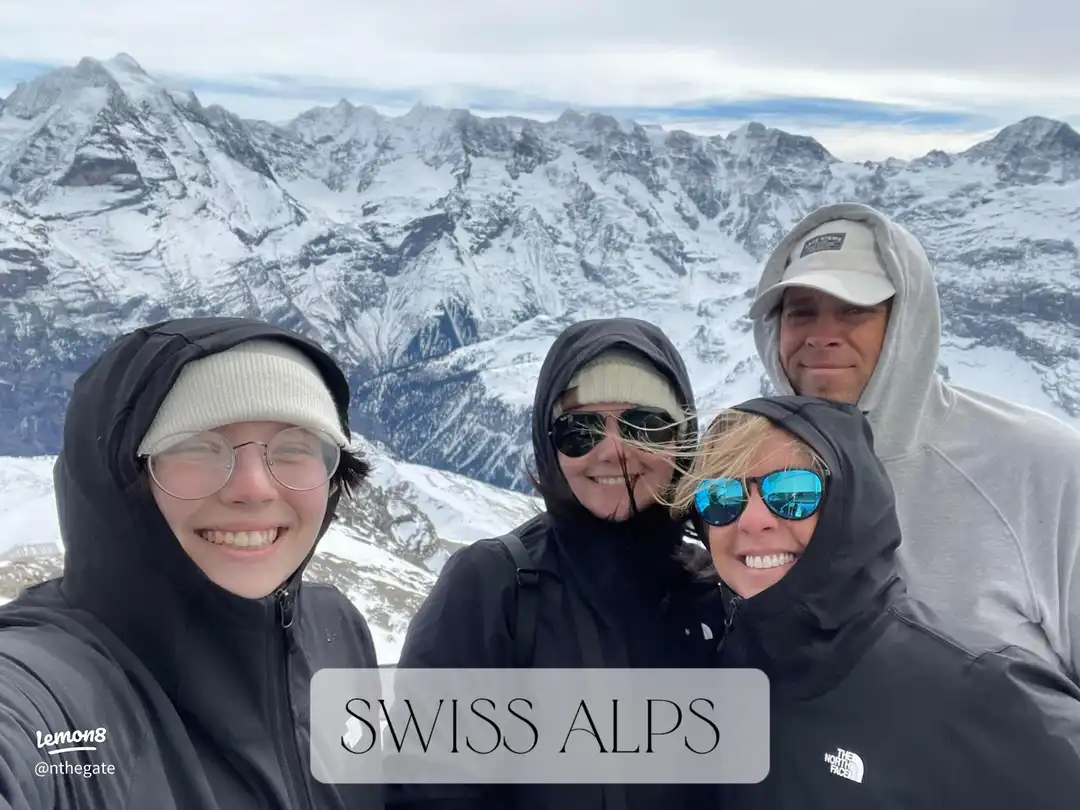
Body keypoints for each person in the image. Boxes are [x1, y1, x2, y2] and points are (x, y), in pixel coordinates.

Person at [0, 317, 383, 810]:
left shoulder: (337, 628)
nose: (254, 489)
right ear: (120, 484)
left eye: (294, 448)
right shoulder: (52, 687)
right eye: (197, 447)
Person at [666, 394, 1080, 807]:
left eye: (793, 492)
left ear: (850, 509)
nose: (753, 520)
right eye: (721, 498)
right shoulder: (722, 663)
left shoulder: (980, 692)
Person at [385, 317, 721, 810]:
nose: (614, 451)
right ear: (550, 447)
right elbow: (427, 790)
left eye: (645, 426)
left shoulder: (715, 591)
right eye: (580, 431)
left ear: (682, 439)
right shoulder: (493, 588)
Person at [748, 201, 1080, 684]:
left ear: (906, 322)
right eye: (801, 312)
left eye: (854, 310)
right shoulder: (749, 479)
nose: (821, 336)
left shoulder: (1042, 468)